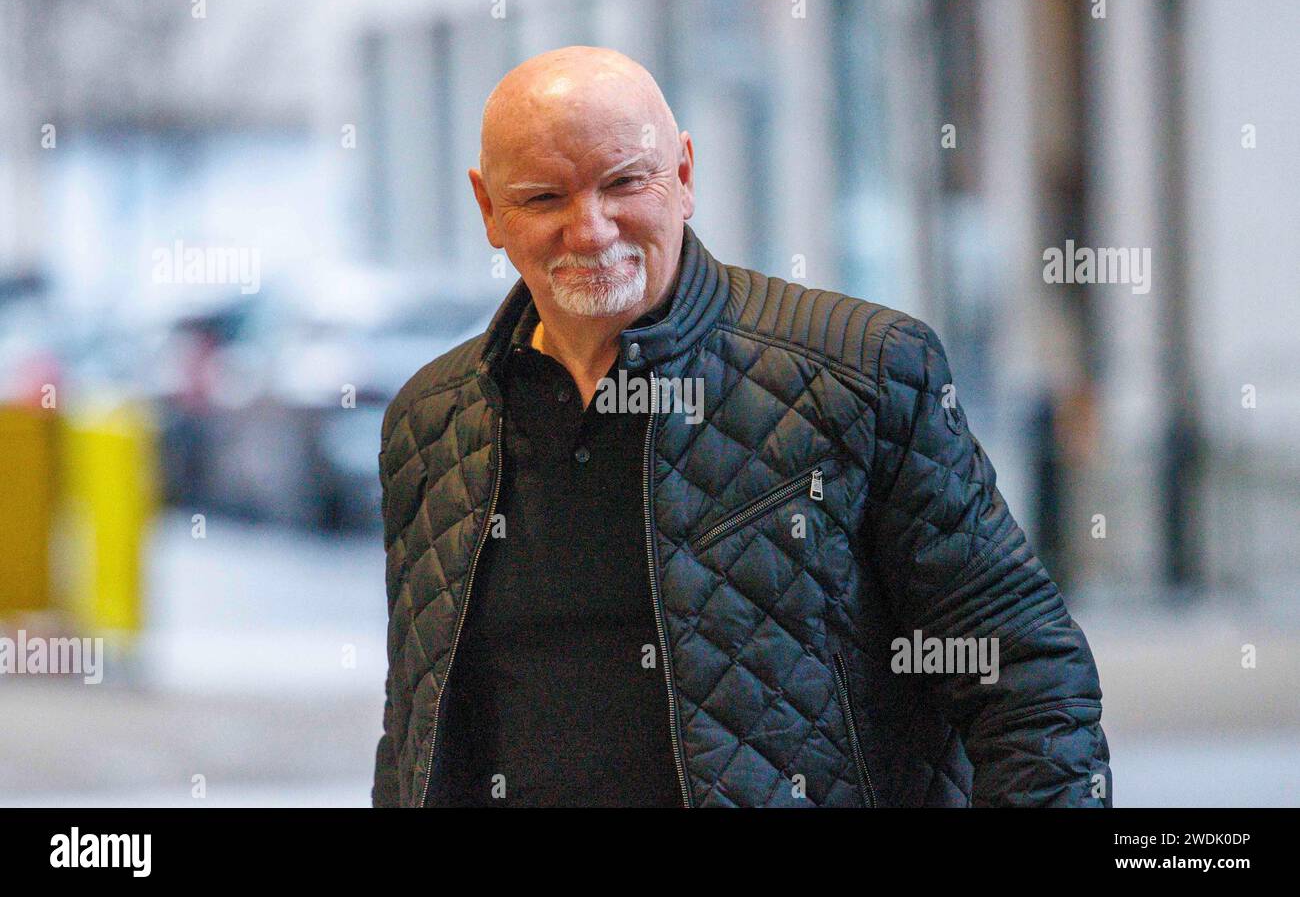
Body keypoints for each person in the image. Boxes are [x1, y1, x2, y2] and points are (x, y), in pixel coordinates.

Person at [372, 46, 1111, 807]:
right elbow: (415, 733)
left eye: (625, 182)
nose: (590, 229)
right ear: (489, 209)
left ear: (685, 176)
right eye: (542, 197)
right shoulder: (432, 420)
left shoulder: (861, 374)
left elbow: (1024, 676)